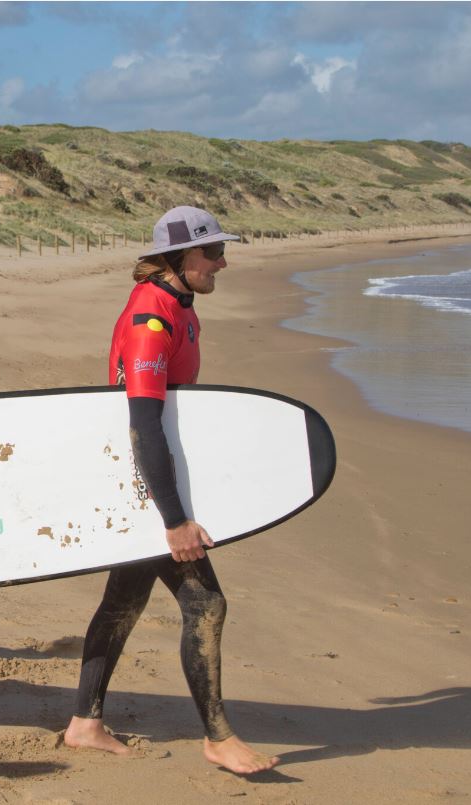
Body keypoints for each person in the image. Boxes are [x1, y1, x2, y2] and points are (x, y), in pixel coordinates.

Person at [63, 206, 279, 774]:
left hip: (147, 481)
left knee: (123, 602)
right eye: (213, 252)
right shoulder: (150, 320)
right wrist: (175, 519)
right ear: (181, 257)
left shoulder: (179, 305)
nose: (222, 263)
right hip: (147, 484)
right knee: (205, 603)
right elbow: (144, 425)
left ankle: (85, 724)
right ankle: (218, 738)